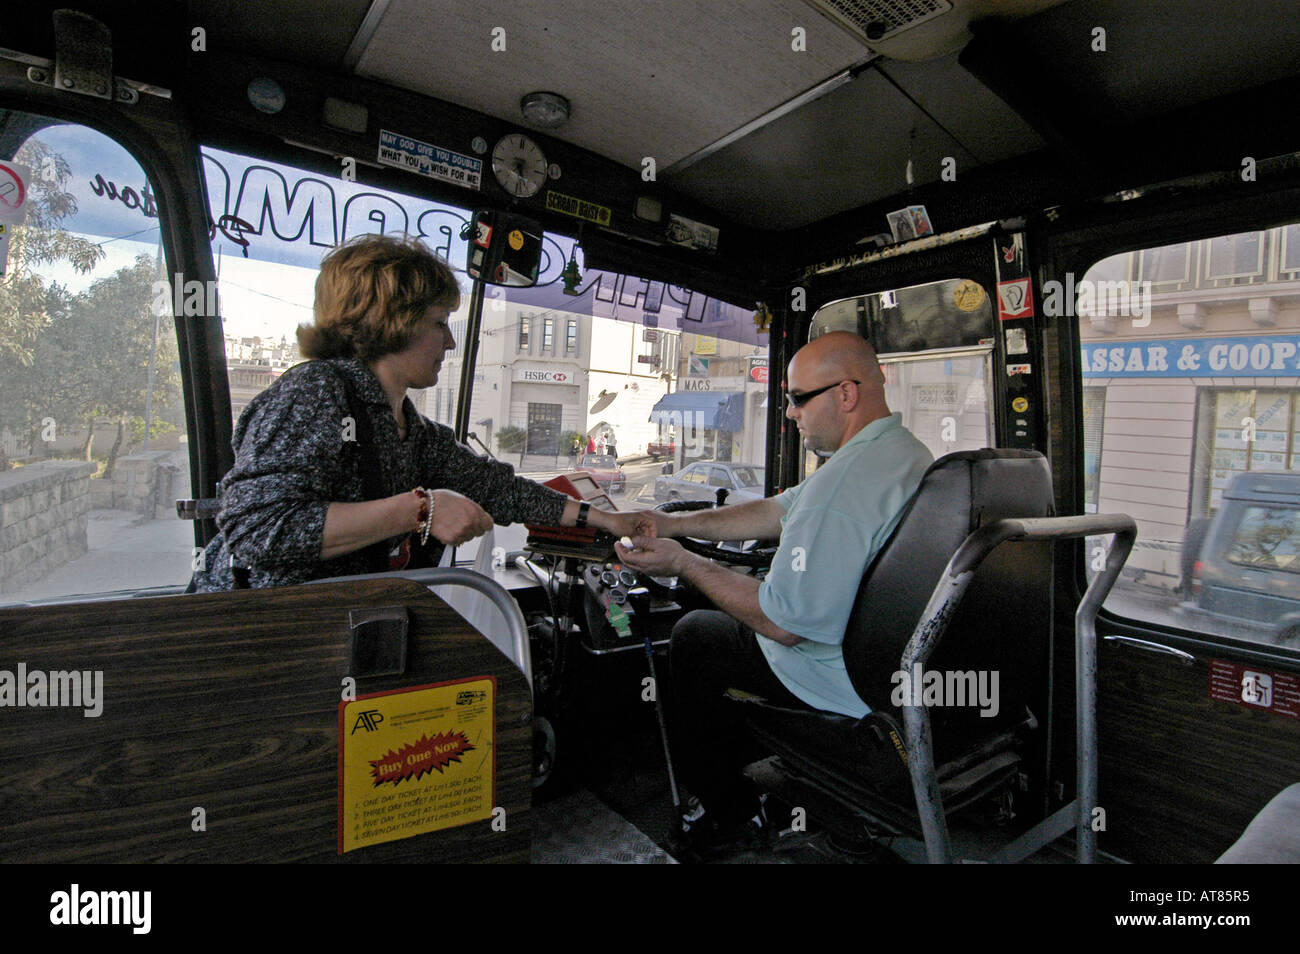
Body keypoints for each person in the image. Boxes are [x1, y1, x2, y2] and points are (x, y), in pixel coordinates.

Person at [615, 331, 933, 851]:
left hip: (839, 679)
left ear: (846, 395)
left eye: (798, 398)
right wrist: (671, 525)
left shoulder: (843, 489)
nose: (789, 412)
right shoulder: (898, 452)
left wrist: (685, 563)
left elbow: (783, 624)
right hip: (888, 658)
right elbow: (775, 510)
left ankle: (730, 813)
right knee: (713, 613)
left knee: (696, 634)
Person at [193, 234, 641, 592]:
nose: (449, 342)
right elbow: (255, 529)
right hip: (260, 637)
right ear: (392, 321)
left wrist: (603, 519)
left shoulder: (411, 428)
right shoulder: (315, 392)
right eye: (438, 323)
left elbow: (497, 488)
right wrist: (422, 511)